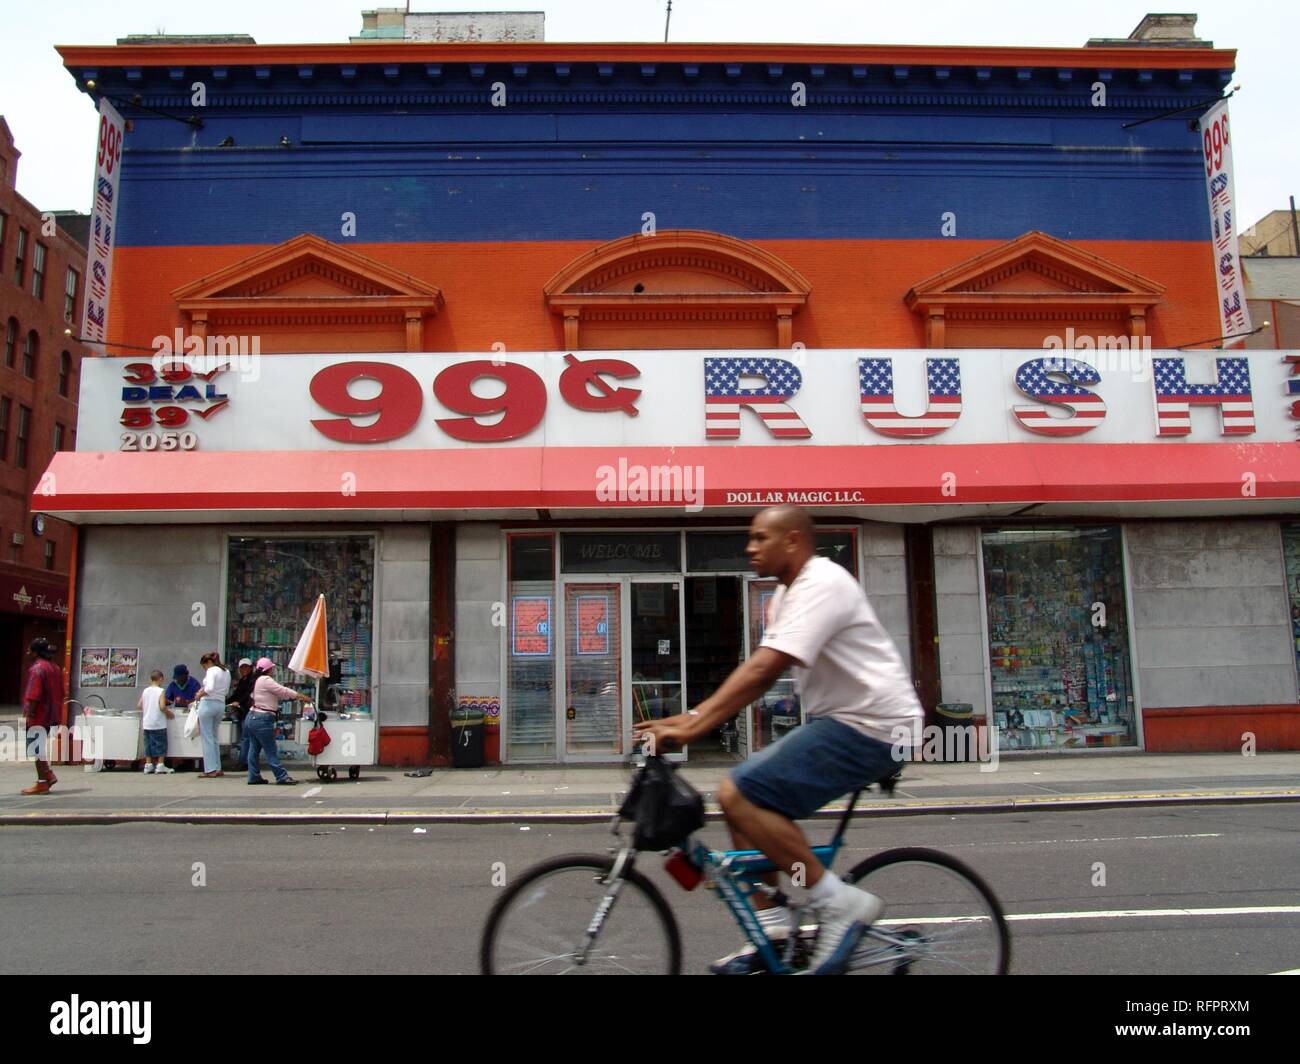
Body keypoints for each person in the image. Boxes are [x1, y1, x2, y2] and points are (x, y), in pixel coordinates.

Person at [635, 505, 922, 976]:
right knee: (744, 802)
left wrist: (690, 726)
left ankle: (837, 904)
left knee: (739, 791)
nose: (750, 548)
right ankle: (773, 927)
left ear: (792, 540)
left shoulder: (822, 583)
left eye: (759, 538)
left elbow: (764, 671)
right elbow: (760, 671)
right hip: (844, 721)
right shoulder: (785, 597)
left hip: (876, 726)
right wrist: (688, 718)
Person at [245, 657, 310, 786]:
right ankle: (281, 776)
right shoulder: (265, 680)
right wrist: (300, 696)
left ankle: (253, 776)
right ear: (268, 669)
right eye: (272, 668)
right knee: (270, 749)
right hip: (262, 718)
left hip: (252, 716)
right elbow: (282, 691)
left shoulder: (256, 680)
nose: (273, 671)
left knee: (253, 749)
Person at [20, 637, 65, 795]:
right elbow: (62, 692)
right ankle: (48, 774)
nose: (27, 652)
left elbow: (34, 695)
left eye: (30, 650)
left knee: (35, 748)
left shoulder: (37, 669)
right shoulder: (56, 668)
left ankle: (42, 782)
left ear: (35, 652)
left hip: (38, 715)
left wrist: (30, 715)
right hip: (52, 715)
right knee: (39, 747)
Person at [197, 651, 231, 778]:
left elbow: (210, 688)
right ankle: (217, 767)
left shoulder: (212, 671)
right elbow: (226, 690)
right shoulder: (226, 672)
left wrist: (200, 694)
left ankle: (210, 768)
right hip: (220, 704)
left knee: (207, 737)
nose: (205, 669)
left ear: (209, 662)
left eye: (204, 666)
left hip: (208, 704)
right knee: (214, 736)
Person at [138, 669, 175, 774]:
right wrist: (169, 713)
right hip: (158, 722)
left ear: (151, 679)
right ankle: (160, 765)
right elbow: (162, 706)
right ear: (161, 679)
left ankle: (148, 764)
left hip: (147, 722)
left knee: (148, 744)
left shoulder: (145, 691)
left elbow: (140, 705)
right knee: (161, 744)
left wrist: (148, 708)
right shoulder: (161, 691)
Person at [226, 658, 256, 769]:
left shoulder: (252, 680)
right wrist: (225, 702)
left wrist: (238, 702)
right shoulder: (242, 680)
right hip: (242, 712)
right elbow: (236, 695)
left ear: (250, 668)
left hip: (248, 712)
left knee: (246, 738)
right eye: (242, 667)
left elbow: (248, 694)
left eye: (246, 667)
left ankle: (244, 762)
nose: (244, 669)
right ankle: (245, 761)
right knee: (245, 738)